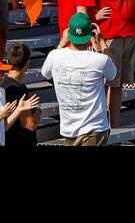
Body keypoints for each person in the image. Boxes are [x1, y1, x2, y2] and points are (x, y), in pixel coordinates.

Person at [41, 11, 116, 145]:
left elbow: (45, 73)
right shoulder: (101, 60)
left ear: (68, 33)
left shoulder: (54, 55)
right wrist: (101, 41)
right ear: (90, 35)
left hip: (69, 129)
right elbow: (113, 74)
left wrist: (62, 43)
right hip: (95, 128)